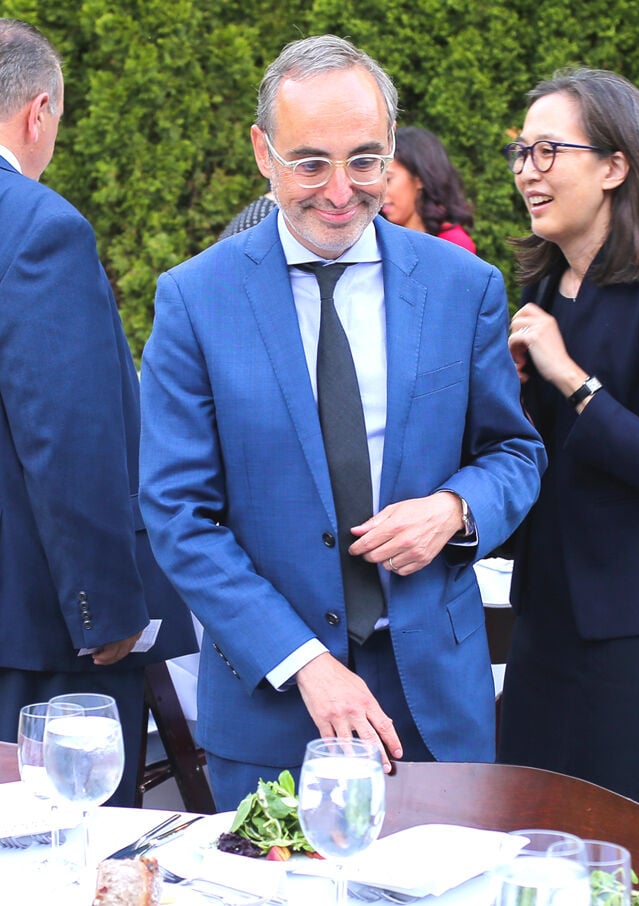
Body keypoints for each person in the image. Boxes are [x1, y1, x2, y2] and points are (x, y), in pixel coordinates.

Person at [138, 34, 546, 809]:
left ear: (391, 151)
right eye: (309, 162)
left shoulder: (465, 287)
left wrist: (455, 510)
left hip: (436, 705)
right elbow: (178, 514)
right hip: (272, 711)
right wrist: (303, 661)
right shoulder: (195, 299)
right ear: (263, 153)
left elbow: (514, 454)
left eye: (363, 160)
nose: (338, 189)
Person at [498, 68, 639, 811]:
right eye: (521, 153)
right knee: (525, 826)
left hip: (633, 622)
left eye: (547, 151)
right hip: (542, 612)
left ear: (615, 166)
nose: (528, 171)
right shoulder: (536, 294)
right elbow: (529, 458)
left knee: (618, 847)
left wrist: (569, 376)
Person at [0, 19, 196, 806]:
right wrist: (107, 611)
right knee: (66, 855)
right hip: (33, 633)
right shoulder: (35, 228)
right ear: (36, 110)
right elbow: (67, 438)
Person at [381, 125, 476, 252]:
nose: (380, 190)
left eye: (388, 179)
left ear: (419, 178)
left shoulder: (452, 244)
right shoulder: (380, 240)